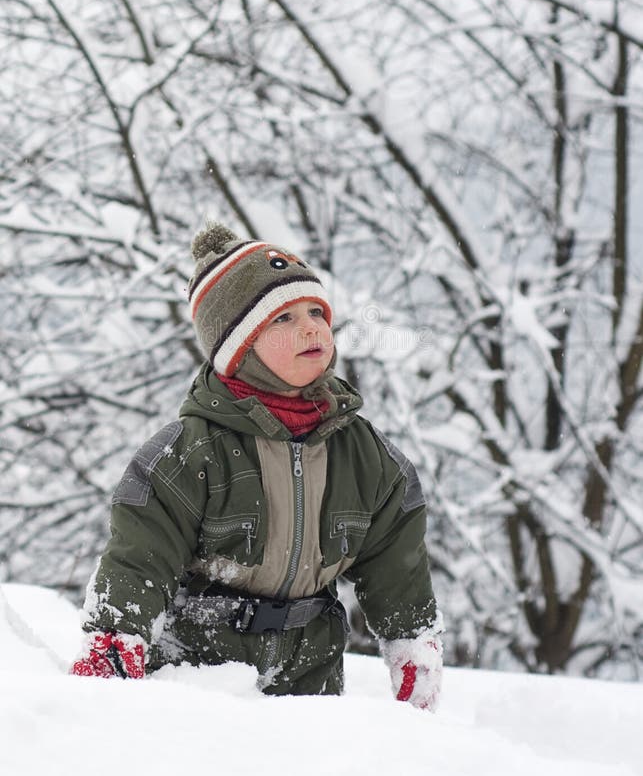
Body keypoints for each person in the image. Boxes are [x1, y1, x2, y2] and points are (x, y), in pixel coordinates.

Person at [71, 222, 443, 709]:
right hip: (201, 670)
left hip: (311, 672)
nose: (312, 327)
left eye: (316, 311)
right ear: (238, 347)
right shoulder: (191, 453)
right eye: (283, 318)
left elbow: (398, 560)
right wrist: (116, 638)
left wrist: (413, 645)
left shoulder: (362, 454)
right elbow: (141, 554)